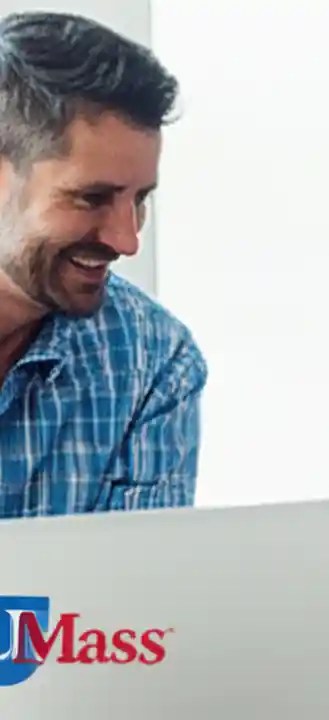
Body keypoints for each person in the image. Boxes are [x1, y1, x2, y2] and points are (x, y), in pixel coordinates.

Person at [0, 12, 207, 518]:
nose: (127, 239)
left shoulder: (154, 360)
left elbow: (138, 592)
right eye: (92, 198)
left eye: (140, 200)